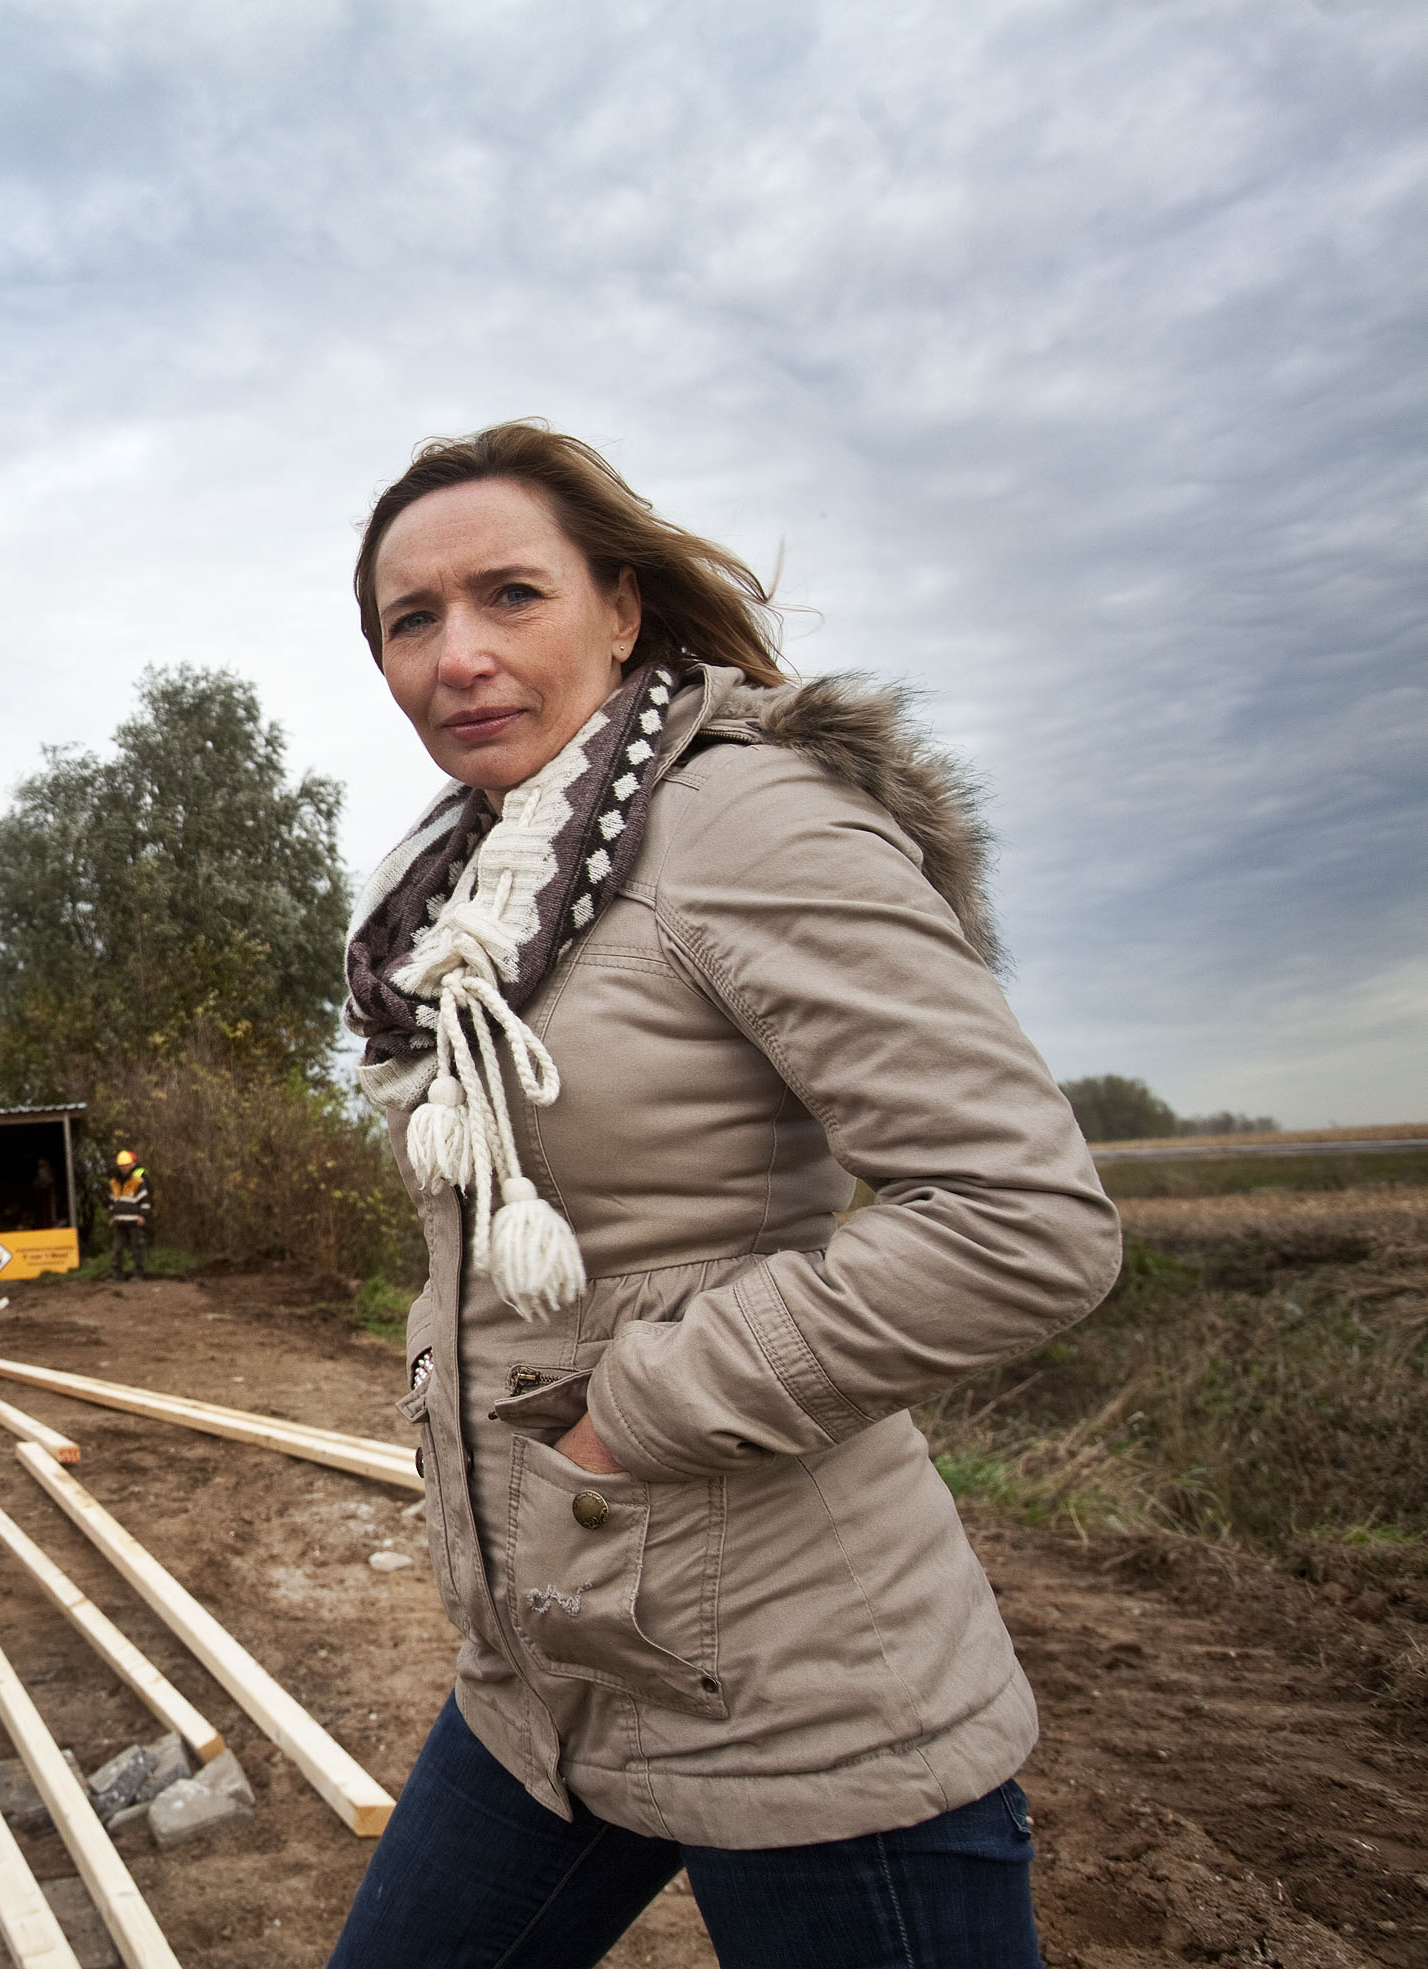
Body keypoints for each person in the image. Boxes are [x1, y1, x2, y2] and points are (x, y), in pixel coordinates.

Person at [330, 424, 1119, 1968]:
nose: (457, 655)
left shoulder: (745, 817)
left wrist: (635, 1409)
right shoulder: (462, 888)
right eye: (410, 620)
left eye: (510, 595)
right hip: (551, 1671)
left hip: (800, 1690)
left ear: (621, 608)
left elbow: (1020, 1217)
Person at [104, 1149, 152, 1281]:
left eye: (126, 1165)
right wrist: (111, 1217)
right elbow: (111, 1202)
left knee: (137, 1248)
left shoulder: (138, 1181)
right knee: (117, 1249)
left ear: (131, 1165)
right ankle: (117, 1275)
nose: (124, 1168)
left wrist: (143, 1216)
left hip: (134, 1220)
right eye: (121, 1165)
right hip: (119, 1221)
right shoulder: (113, 1183)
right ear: (118, 1166)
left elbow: (145, 1201)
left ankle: (138, 1274)